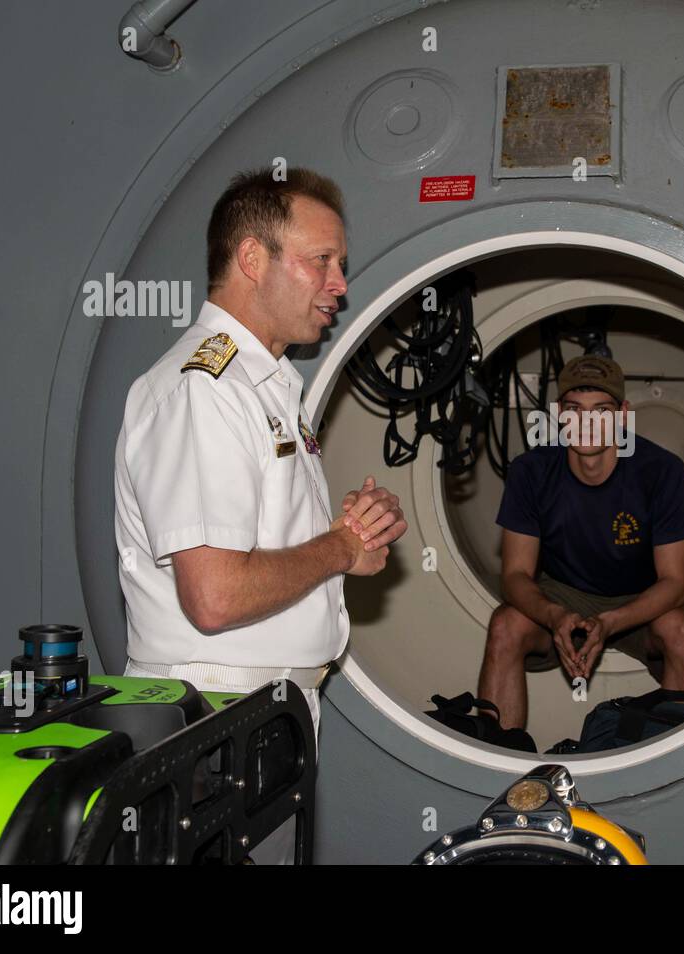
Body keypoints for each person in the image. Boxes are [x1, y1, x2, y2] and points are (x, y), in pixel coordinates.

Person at [113, 167, 407, 862]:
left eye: (341, 265)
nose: (339, 284)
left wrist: (352, 536)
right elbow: (213, 595)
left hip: (257, 721)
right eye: (321, 262)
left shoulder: (267, 386)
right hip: (212, 726)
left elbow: (263, 548)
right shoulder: (203, 389)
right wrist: (338, 548)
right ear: (252, 259)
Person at [477, 355, 684, 730]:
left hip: (644, 595)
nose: (586, 423)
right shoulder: (531, 470)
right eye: (574, 410)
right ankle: (497, 759)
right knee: (506, 624)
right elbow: (516, 575)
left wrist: (610, 622)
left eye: (600, 411)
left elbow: (675, 583)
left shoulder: (662, 471)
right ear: (558, 414)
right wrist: (554, 615)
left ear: (622, 415)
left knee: (681, 627)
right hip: (565, 592)